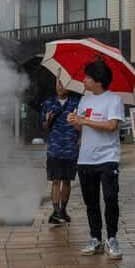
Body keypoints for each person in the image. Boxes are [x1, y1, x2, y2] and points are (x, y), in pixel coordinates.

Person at [67, 59, 124, 260]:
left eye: (87, 77)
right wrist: (75, 122)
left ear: (98, 81)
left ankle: (112, 238)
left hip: (108, 157)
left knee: (110, 198)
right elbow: (82, 128)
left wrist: (84, 120)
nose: (84, 80)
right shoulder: (84, 100)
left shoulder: (114, 100)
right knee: (90, 202)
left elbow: (112, 125)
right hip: (86, 158)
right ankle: (95, 238)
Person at [41, 79, 81, 225]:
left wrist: (79, 134)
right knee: (55, 180)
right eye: (58, 84)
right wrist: (48, 120)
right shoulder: (48, 102)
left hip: (71, 148)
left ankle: (63, 210)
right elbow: (45, 127)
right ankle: (56, 211)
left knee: (67, 180)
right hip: (55, 148)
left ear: (69, 86)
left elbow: (82, 125)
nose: (59, 87)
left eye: (63, 84)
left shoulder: (77, 103)